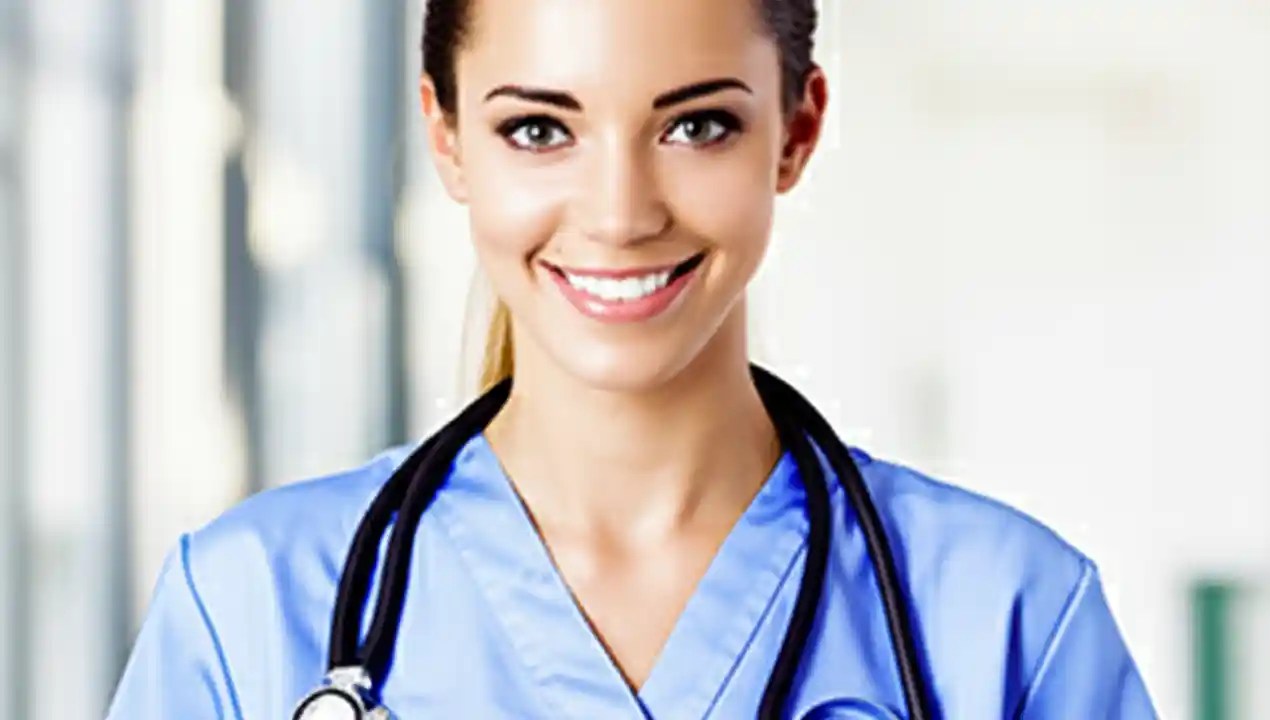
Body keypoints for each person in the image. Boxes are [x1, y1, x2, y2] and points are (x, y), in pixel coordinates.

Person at [106, 0, 1160, 717]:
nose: (617, 215)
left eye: (696, 126)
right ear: (445, 138)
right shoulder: (250, 608)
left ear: (795, 132)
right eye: (535, 131)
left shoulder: (1002, 616)